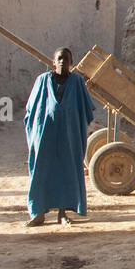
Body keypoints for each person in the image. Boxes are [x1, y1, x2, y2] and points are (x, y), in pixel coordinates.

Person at [24, 47, 96, 227]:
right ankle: (38, 213)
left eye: (67, 59)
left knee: (67, 170)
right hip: (44, 134)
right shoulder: (41, 81)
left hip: (69, 135)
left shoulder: (77, 82)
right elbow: (31, 111)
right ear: (53, 61)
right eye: (60, 58)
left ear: (72, 62)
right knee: (41, 171)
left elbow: (86, 111)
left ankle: (63, 213)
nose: (63, 61)